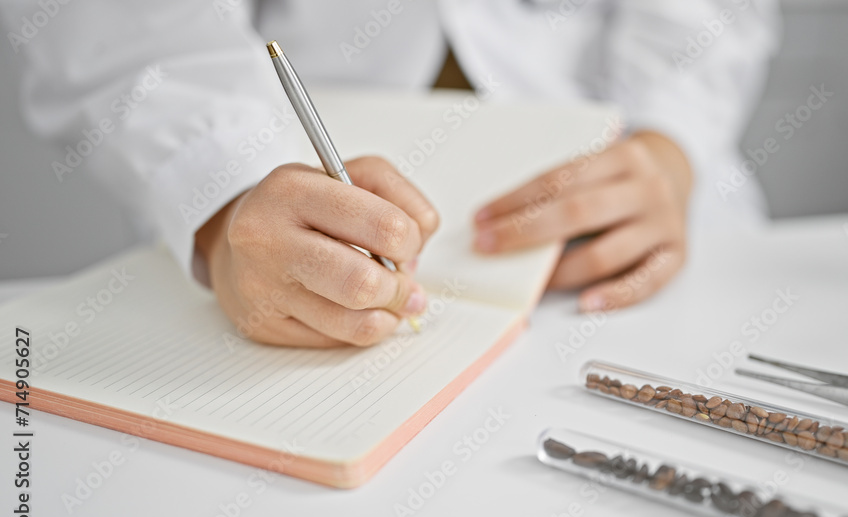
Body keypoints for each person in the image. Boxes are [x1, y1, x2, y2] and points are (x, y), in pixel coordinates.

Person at [3, 0, 779, 347]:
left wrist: (672, 140)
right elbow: (119, 28)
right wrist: (225, 191)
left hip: (635, 220)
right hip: (287, 207)